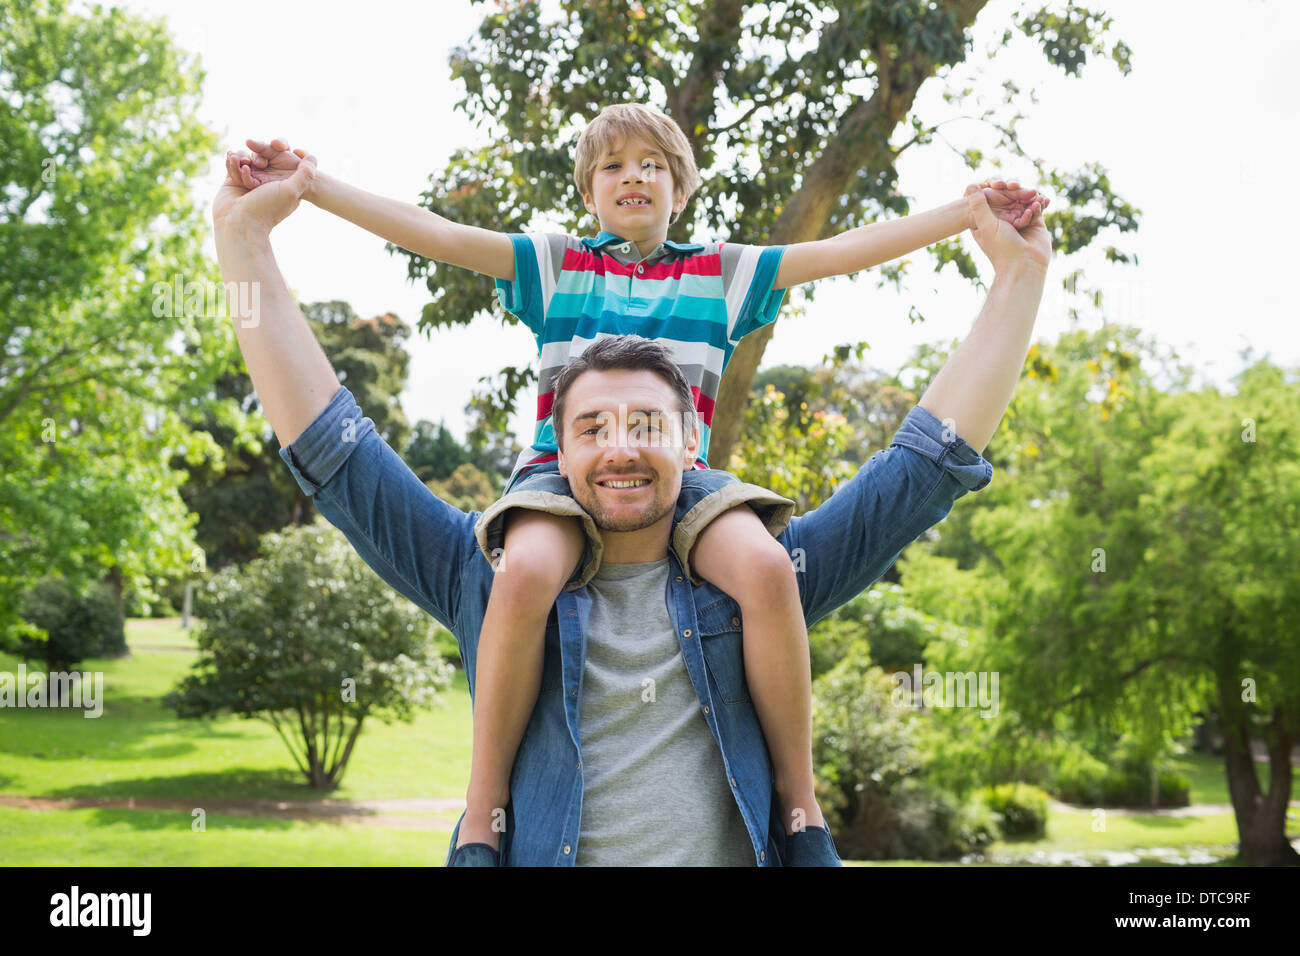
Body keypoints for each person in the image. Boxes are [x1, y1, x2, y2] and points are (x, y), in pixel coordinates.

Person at [226, 104, 1048, 854]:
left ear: (682, 188)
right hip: (545, 488)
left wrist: (974, 222)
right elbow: (431, 241)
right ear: (587, 189)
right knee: (523, 579)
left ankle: (801, 804)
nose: (634, 177)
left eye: (653, 164)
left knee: (765, 567)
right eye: (613, 165)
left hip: (699, 489)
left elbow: (850, 281)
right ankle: (484, 807)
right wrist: (304, 193)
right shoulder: (552, 274)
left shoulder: (722, 280)